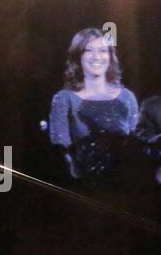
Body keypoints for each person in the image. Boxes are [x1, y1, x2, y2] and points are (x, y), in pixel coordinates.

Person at [48, 28, 140, 181]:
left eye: (103, 50)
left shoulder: (127, 97)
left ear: (110, 56)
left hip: (123, 186)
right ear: (78, 56)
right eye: (88, 50)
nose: (97, 57)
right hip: (80, 187)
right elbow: (60, 151)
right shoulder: (64, 99)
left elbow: (136, 149)